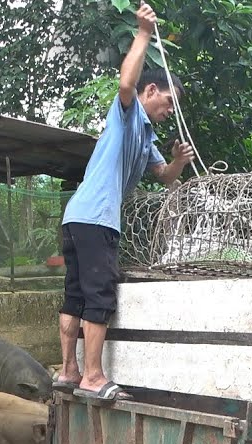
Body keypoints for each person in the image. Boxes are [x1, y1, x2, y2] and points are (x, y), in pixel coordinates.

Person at [55, 2, 196, 404]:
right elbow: (124, 85)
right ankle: (93, 376)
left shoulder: (147, 136)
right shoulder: (127, 113)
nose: (169, 112)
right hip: (97, 219)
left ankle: (68, 370)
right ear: (150, 91)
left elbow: (164, 179)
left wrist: (179, 162)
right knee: (100, 296)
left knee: (76, 296)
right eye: (168, 102)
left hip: (78, 217)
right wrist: (143, 34)